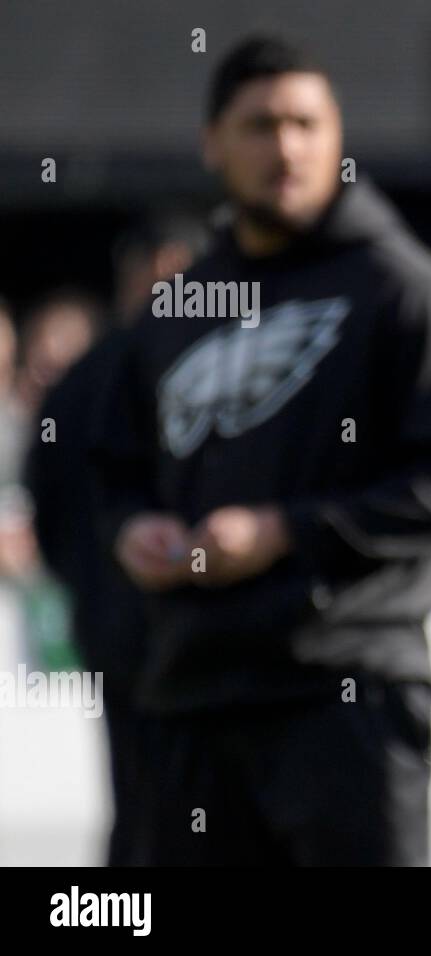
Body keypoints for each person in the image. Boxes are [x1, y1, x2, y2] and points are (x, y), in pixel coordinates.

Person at [91, 35, 431, 865]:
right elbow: (111, 464)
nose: (287, 147)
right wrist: (132, 528)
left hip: (344, 692)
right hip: (191, 693)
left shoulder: (400, 289)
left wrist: (284, 530)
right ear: (213, 143)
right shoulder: (183, 301)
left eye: (307, 123)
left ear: (337, 136)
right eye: (260, 124)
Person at [23, 213, 207, 865]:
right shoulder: (210, 373)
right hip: (197, 643)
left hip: (128, 638)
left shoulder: (79, 380)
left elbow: (46, 516)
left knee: (140, 814)